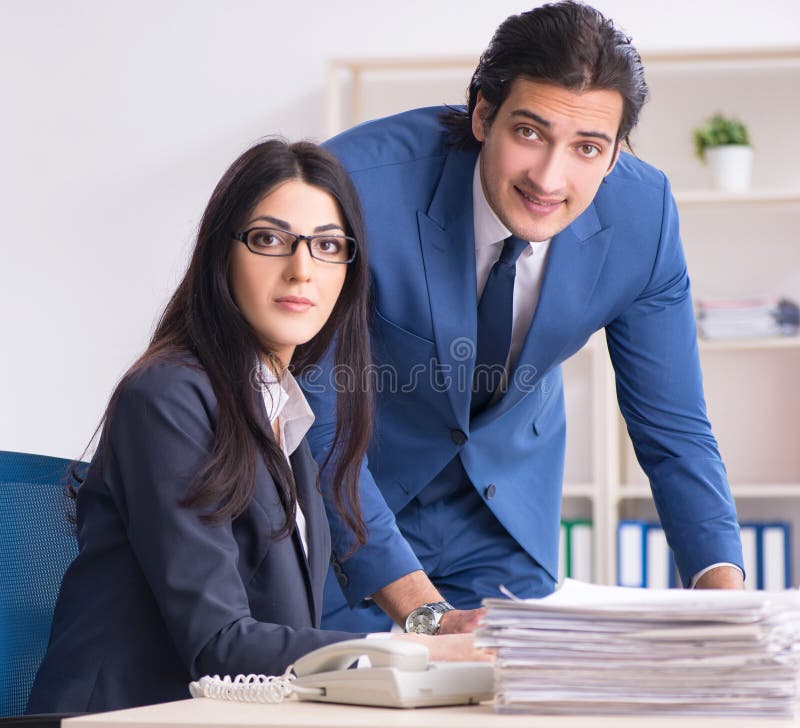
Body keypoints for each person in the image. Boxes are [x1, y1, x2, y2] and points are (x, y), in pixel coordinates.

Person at [304, 0, 745, 636]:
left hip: (503, 521)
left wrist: (728, 609)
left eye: (588, 147)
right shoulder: (352, 188)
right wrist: (424, 615)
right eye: (529, 133)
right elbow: (318, 420)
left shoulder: (642, 220)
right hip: (350, 513)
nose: (549, 177)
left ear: (617, 153)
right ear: (483, 112)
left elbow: (675, 431)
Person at [27, 139, 480, 714]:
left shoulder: (281, 413)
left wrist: (438, 636)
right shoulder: (168, 398)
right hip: (130, 719)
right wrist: (424, 655)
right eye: (270, 240)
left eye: (327, 246)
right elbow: (220, 646)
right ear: (222, 255)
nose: (301, 270)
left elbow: (277, 633)